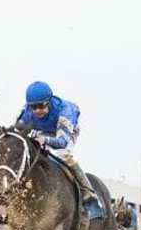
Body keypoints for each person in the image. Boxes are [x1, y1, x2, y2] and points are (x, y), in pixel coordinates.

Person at [17, 80, 101, 219]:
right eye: (34, 107)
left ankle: (89, 194)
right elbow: (17, 132)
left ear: (49, 102)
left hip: (65, 131)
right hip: (42, 131)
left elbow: (62, 142)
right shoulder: (26, 112)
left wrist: (45, 140)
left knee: (63, 154)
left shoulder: (66, 111)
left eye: (41, 106)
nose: (37, 110)